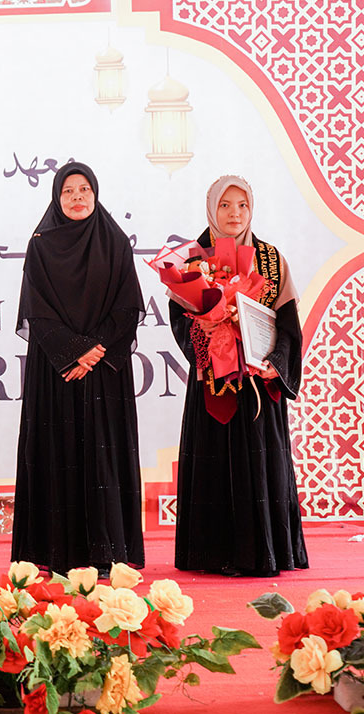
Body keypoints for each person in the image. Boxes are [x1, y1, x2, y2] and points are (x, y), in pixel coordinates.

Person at [10, 162, 145, 578]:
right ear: (56, 196)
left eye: (85, 189)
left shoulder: (115, 241)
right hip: (56, 372)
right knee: (58, 452)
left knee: (102, 456)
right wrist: (74, 352)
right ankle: (54, 552)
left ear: (96, 193)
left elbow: (128, 306)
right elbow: (37, 310)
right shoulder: (40, 245)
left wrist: (95, 350)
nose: (77, 197)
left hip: (103, 373)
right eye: (68, 190)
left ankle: (108, 552)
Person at [172, 175, 308, 576]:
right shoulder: (193, 260)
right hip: (214, 384)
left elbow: (287, 326)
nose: (234, 213)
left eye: (242, 206)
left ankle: (267, 552)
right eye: (226, 205)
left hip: (258, 384)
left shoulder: (270, 259)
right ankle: (212, 555)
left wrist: (275, 363)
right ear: (212, 208)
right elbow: (181, 322)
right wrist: (208, 331)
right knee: (215, 460)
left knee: (259, 462)